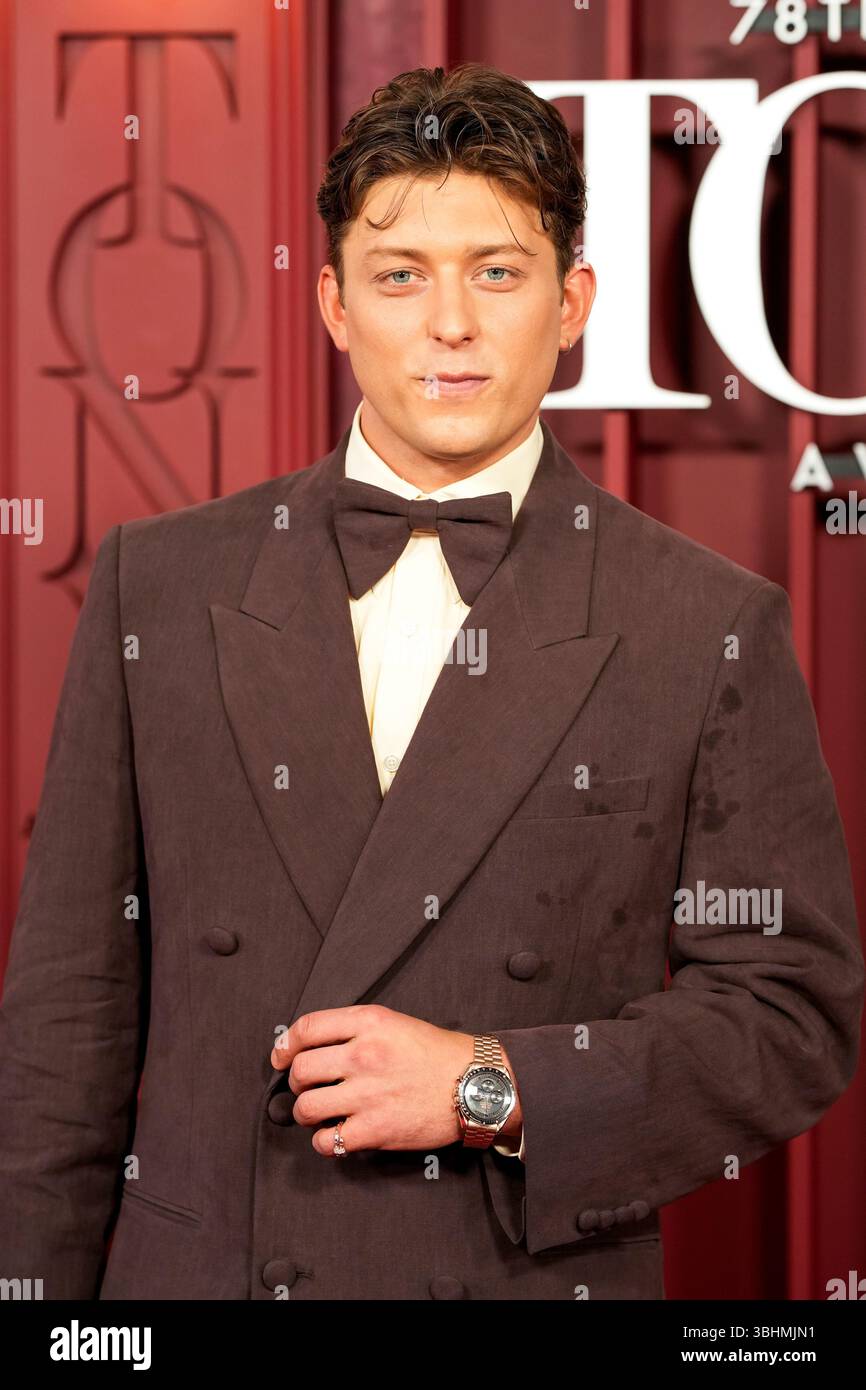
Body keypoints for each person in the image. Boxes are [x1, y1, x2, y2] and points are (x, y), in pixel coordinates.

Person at [0, 63, 862, 1301]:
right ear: (336, 306)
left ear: (571, 303)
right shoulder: (158, 584)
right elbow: (64, 1029)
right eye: (400, 275)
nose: (448, 323)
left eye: (495, 272)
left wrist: (486, 1082)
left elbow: (790, 1014)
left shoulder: (703, 621)